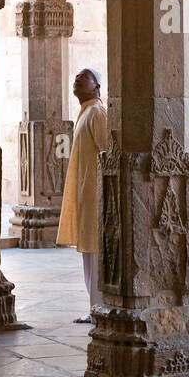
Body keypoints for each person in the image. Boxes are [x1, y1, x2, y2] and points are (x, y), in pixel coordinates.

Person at [57, 68, 109, 324]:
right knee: (88, 252)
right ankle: (94, 307)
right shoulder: (86, 112)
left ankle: (100, 307)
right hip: (86, 194)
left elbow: (107, 152)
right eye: (76, 76)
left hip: (95, 194)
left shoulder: (97, 112)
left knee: (96, 251)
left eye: (84, 76)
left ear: (97, 85)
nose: (77, 79)